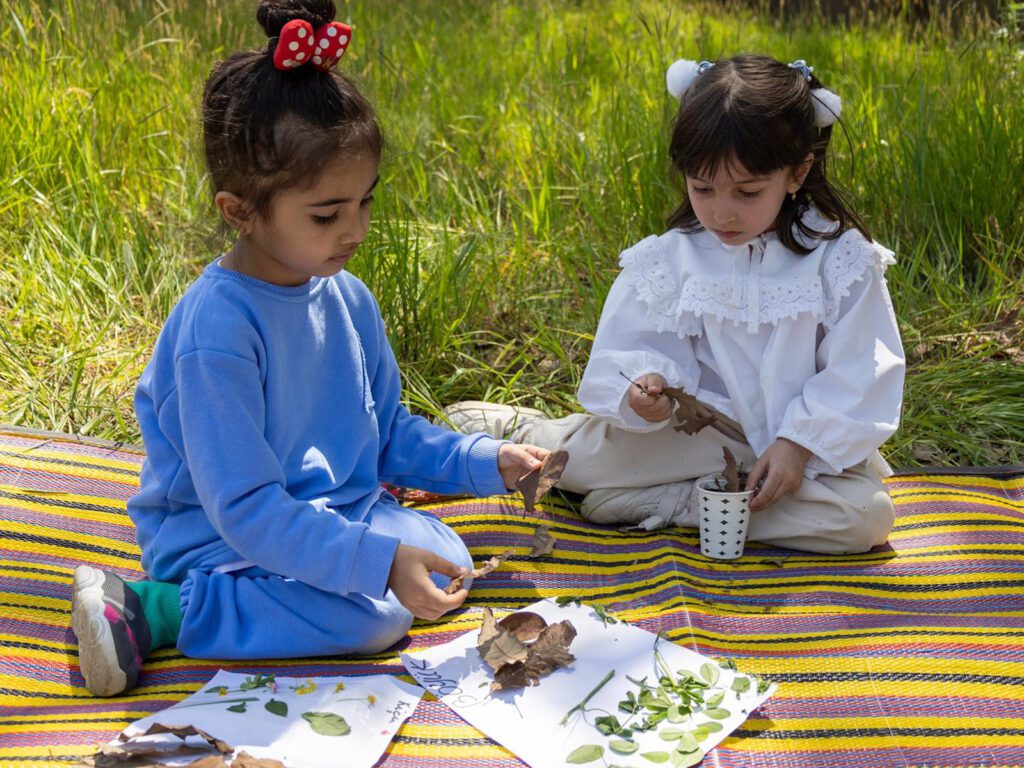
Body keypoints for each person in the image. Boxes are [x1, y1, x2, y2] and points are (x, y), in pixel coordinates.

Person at [70, 0, 549, 698]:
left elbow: (386, 434)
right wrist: (376, 565)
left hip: (332, 510)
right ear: (240, 211)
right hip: (223, 540)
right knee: (372, 620)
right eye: (327, 213)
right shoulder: (219, 329)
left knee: (446, 560)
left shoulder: (347, 297)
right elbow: (244, 506)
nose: (353, 230)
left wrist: (487, 462)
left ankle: (352, 567)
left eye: (365, 202)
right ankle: (161, 606)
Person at [446, 54, 905, 555]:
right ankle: (529, 431)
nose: (721, 212)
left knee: (865, 519)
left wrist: (798, 445)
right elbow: (637, 349)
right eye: (702, 188)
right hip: (695, 435)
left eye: (747, 192)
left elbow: (861, 373)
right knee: (570, 464)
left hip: (800, 448)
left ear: (797, 173)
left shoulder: (840, 262)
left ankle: (673, 504)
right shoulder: (673, 257)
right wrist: (646, 390)